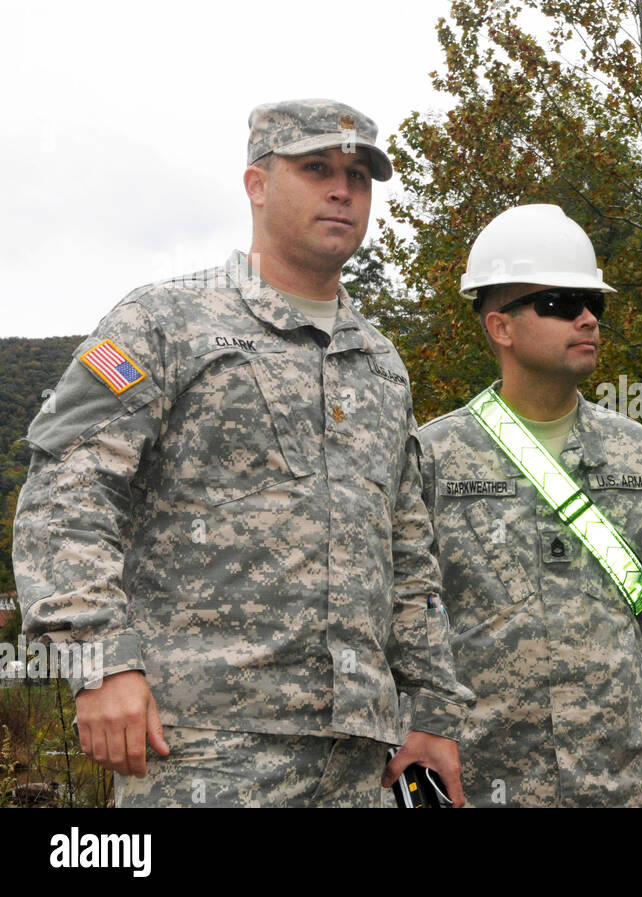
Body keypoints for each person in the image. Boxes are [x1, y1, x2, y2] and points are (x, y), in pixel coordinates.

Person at [12, 98, 473, 807]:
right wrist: (98, 661)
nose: (343, 190)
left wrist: (434, 711)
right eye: (316, 167)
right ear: (257, 184)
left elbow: (409, 553)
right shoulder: (163, 322)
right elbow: (67, 492)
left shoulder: (380, 363)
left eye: (359, 175)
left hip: (359, 760)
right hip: (203, 747)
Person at [418, 204, 642, 806]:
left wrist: (609, 683)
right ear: (501, 327)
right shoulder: (433, 456)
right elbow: (408, 605)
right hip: (485, 775)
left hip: (625, 773)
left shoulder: (637, 452)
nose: (588, 318)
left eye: (595, 305)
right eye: (559, 304)